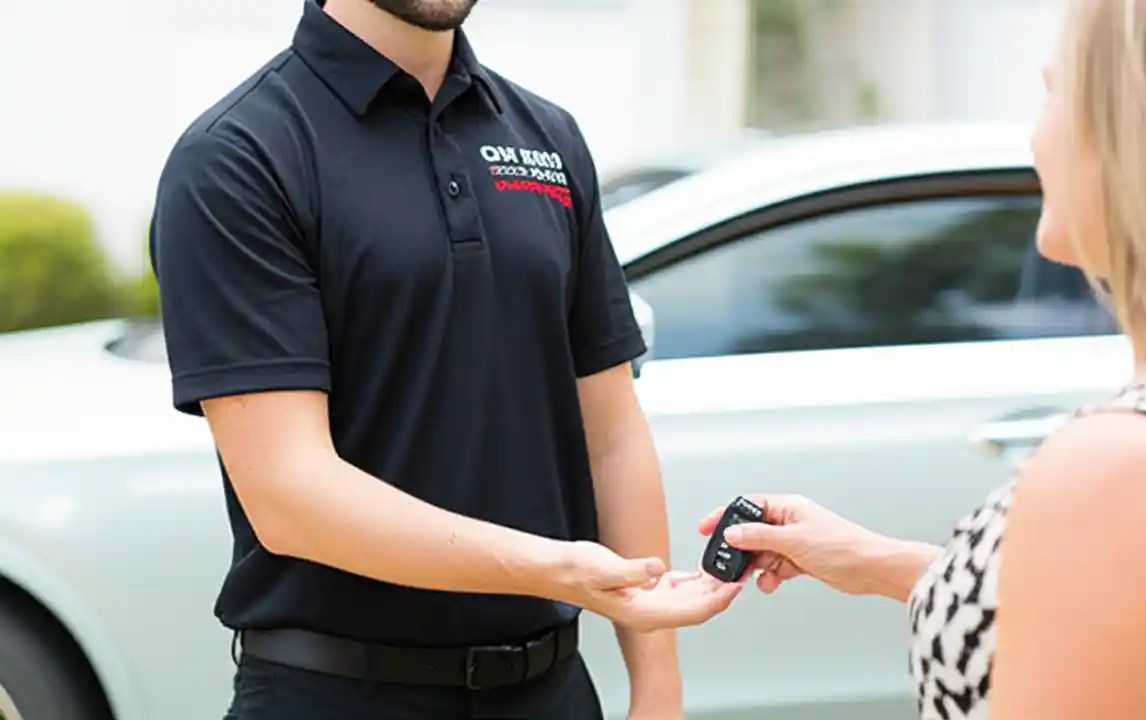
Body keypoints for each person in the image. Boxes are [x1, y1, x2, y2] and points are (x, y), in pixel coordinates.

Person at [149, 1, 741, 718]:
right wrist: (551, 568)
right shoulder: (240, 153)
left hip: (552, 691)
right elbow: (289, 495)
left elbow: (611, 434)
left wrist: (657, 689)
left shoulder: (547, 138)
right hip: (338, 694)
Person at [702, 0, 1146, 717]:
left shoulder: (1127, 471)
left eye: (1053, 93)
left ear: (1137, 137)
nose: (1036, 139)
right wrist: (873, 560)